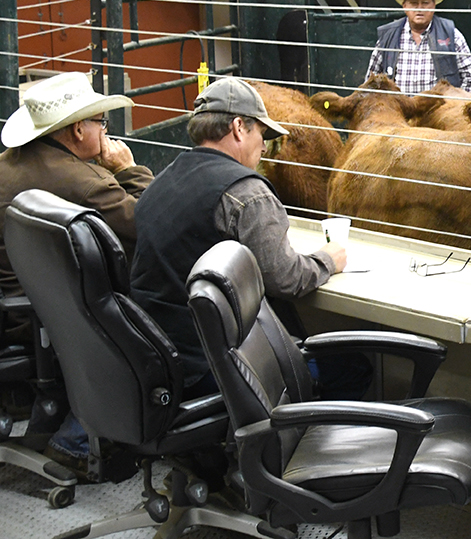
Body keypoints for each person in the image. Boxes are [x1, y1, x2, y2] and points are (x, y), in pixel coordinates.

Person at [130, 77, 348, 394]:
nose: (263, 146)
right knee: (350, 368)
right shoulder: (247, 192)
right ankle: (302, 441)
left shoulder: (164, 179)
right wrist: (329, 259)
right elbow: (286, 278)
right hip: (212, 366)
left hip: (156, 357)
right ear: (238, 128)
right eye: (261, 134)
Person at [0, 72, 151, 306]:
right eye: (101, 122)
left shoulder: (5, 163)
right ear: (78, 130)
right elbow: (153, 225)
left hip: (17, 312)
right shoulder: (89, 184)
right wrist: (127, 169)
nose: (105, 131)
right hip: (56, 319)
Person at [365, 0, 471, 94]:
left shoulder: (451, 34)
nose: (420, 8)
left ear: (434, 6)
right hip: (398, 110)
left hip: (438, 110)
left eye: (425, 3)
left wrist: (451, 105)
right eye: (413, 3)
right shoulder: (388, 36)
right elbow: (370, 81)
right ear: (405, 6)